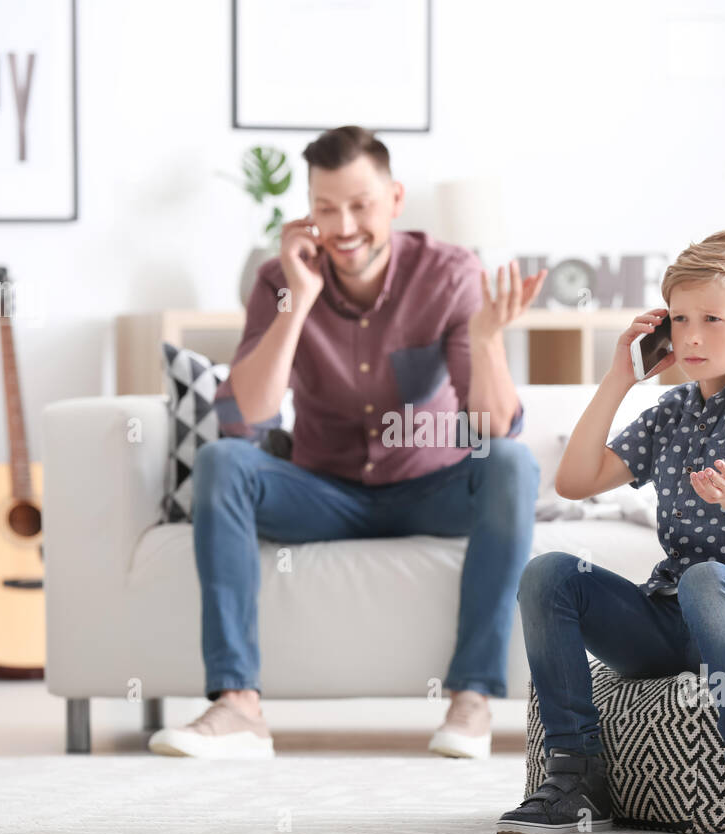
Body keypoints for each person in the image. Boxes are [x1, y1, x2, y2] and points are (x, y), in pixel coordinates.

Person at [149, 126, 547, 761]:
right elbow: (245, 419)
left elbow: (493, 428)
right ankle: (238, 707)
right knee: (223, 462)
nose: (344, 225)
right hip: (323, 492)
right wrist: (297, 303)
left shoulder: (448, 273)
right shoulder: (281, 278)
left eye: (360, 204)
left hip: (430, 488)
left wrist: (491, 337)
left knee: (511, 463)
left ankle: (471, 698)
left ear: (394, 199)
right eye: (326, 207)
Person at [496, 230, 725, 834]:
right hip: (673, 618)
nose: (691, 336)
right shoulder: (671, 413)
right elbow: (575, 480)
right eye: (679, 319)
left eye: (712, 320)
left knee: (705, 578)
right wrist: (620, 380)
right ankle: (574, 776)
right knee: (549, 573)